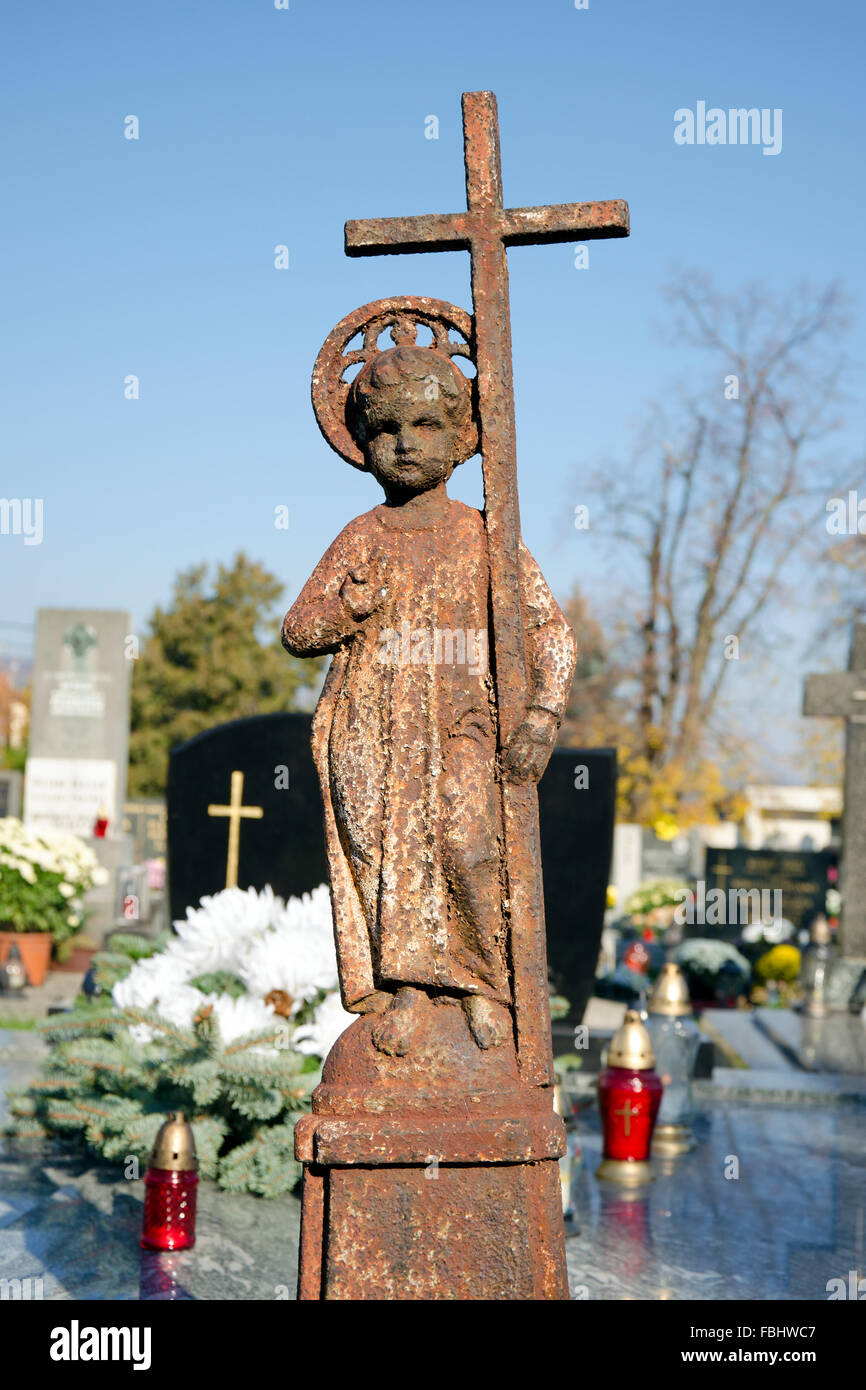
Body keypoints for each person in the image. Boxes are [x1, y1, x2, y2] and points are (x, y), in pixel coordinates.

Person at [283, 343, 575, 1055]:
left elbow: (549, 631)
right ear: (362, 443)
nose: (404, 443)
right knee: (384, 854)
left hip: (458, 722)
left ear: (462, 435)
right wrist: (345, 612)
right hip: (370, 725)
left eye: (424, 424)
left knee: (466, 845)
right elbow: (298, 628)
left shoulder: (483, 536)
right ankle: (409, 991)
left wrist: (541, 715)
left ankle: (482, 985)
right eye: (384, 430)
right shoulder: (362, 535)